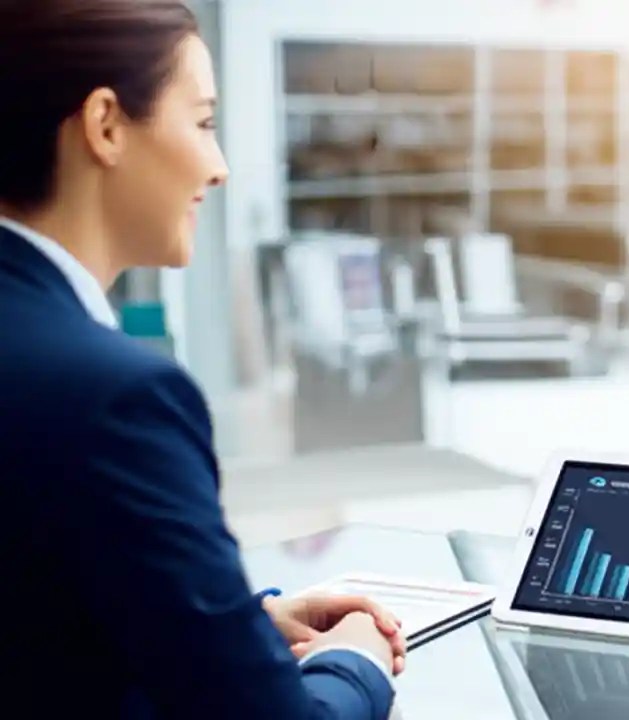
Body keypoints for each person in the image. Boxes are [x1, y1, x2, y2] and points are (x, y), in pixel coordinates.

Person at [0, 1, 407, 717]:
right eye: (203, 122)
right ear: (105, 126)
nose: (218, 169)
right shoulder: (113, 397)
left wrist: (231, 627)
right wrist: (357, 662)